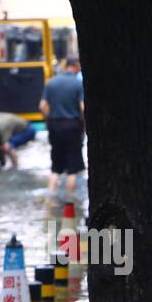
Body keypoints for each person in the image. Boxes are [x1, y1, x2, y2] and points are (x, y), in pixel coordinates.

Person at [39, 56, 85, 199]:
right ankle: (69, 205)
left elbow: (41, 106)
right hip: (72, 126)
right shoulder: (78, 84)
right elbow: (83, 108)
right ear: (76, 65)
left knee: (56, 167)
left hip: (54, 126)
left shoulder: (51, 83)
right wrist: (84, 125)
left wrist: (49, 120)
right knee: (73, 168)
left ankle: (51, 202)